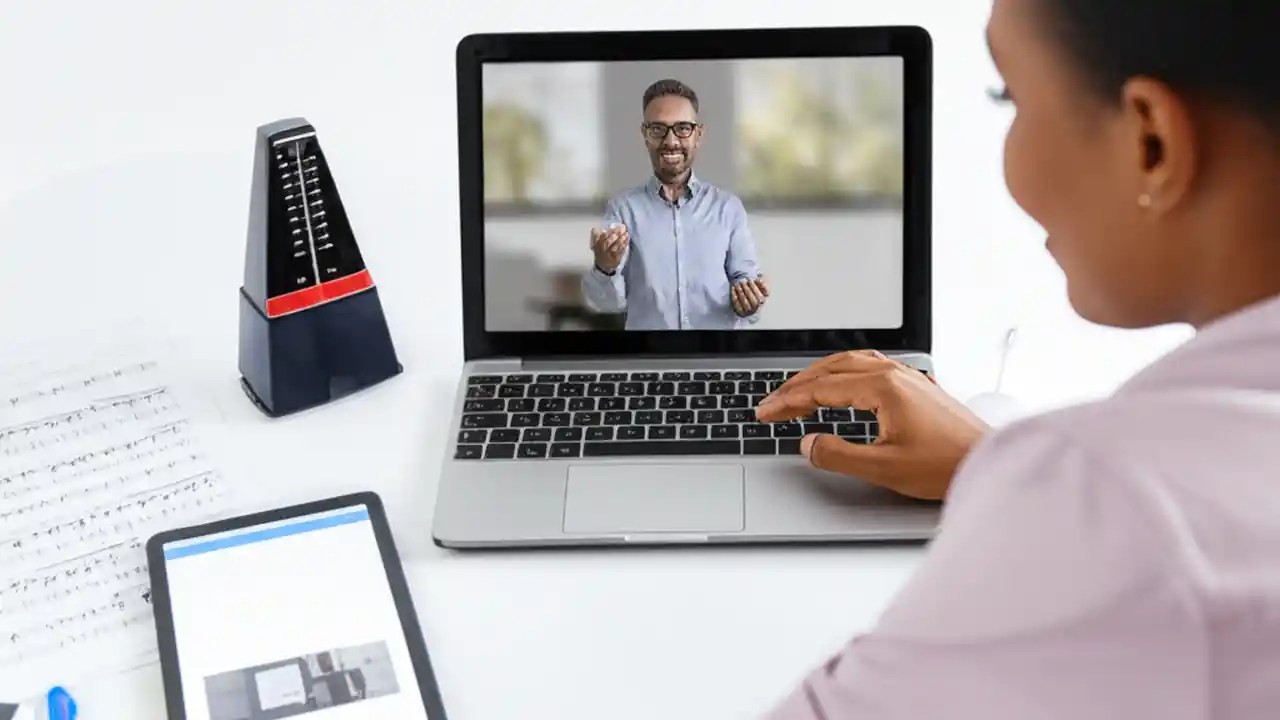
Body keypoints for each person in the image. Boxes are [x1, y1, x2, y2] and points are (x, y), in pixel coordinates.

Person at [760, 0, 1280, 717]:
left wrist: (1040, 497)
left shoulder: (1111, 506)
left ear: (1151, 141)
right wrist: (990, 464)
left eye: (1013, 98)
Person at [581, 78, 771, 330]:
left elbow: (746, 285)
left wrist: (749, 302)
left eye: (683, 128)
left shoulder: (728, 208)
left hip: (717, 350)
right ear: (645, 134)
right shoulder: (623, 210)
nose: (671, 141)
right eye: (658, 129)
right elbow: (605, 304)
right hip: (650, 352)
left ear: (698, 134)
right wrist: (605, 268)